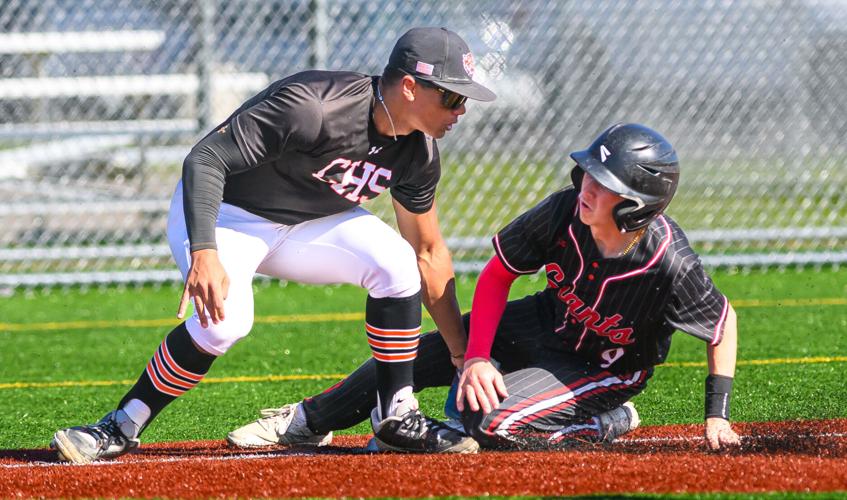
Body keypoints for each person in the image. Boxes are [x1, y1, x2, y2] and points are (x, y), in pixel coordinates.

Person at [50, 27, 496, 464]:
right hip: (227, 214)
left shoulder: (418, 154)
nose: (460, 110)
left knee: (397, 263)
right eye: (451, 97)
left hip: (308, 222)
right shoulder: (316, 108)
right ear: (410, 87)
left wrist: (464, 356)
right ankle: (120, 424)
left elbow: (428, 254)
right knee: (224, 324)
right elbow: (205, 160)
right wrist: (204, 251)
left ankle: (395, 415)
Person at [226, 123, 742, 452]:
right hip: (545, 322)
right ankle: (306, 420)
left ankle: (605, 420)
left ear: (636, 205)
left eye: (603, 184)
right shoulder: (566, 211)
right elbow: (499, 274)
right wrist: (473, 356)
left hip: (603, 368)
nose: (585, 186)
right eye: (587, 173)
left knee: (490, 422)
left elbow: (722, 324)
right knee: (415, 355)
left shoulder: (669, 263)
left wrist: (716, 416)